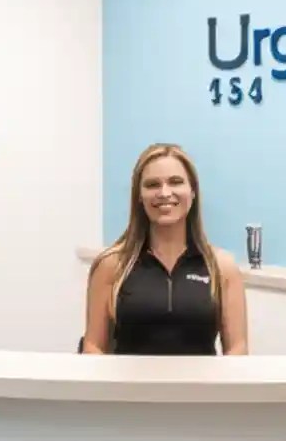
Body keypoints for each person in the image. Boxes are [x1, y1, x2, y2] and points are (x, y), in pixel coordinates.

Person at [82, 143, 248, 355]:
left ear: (192, 191)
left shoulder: (222, 268)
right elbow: (93, 346)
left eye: (176, 182)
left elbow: (237, 349)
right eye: (152, 185)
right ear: (139, 197)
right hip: (131, 388)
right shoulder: (111, 265)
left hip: (200, 388)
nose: (164, 193)